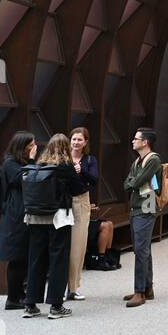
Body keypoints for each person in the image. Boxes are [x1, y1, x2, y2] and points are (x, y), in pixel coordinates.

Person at [22, 133, 79, 319]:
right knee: (58, 260)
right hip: (59, 217)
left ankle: (30, 304)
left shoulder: (39, 165)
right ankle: (56, 306)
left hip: (36, 217)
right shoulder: (66, 166)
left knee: (36, 258)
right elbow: (79, 189)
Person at [0, 131, 38, 310]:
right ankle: (12, 298)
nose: (35, 146)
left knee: (23, 256)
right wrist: (33, 160)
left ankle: (20, 294)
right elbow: (26, 179)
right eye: (31, 144)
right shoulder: (10, 163)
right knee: (16, 257)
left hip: (22, 212)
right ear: (23, 146)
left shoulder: (19, 162)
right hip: (15, 214)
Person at [123, 128, 165, 308]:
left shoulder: (153, 160)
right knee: (142, 248)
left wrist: (132, 182)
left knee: (141, 250)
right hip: (136, 208)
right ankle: (147, 288)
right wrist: (132, 182)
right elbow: (128, 182)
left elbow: (138, 181)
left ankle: (140, 292)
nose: (133, 141)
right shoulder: (137, 161)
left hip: (146, 208)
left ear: (145, 142)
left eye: (136, 139)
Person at [65, 127, 99, 301]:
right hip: (63, 202)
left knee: (78, 246)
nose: (76, 142)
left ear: (85, 142)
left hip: (81, 201)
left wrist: (81, 171)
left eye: (80, 140)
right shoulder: (63, 158)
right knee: (61, 244)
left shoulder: (90, 160)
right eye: (74, 139)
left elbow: (94, 180)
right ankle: (59, 286)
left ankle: (74, 287)